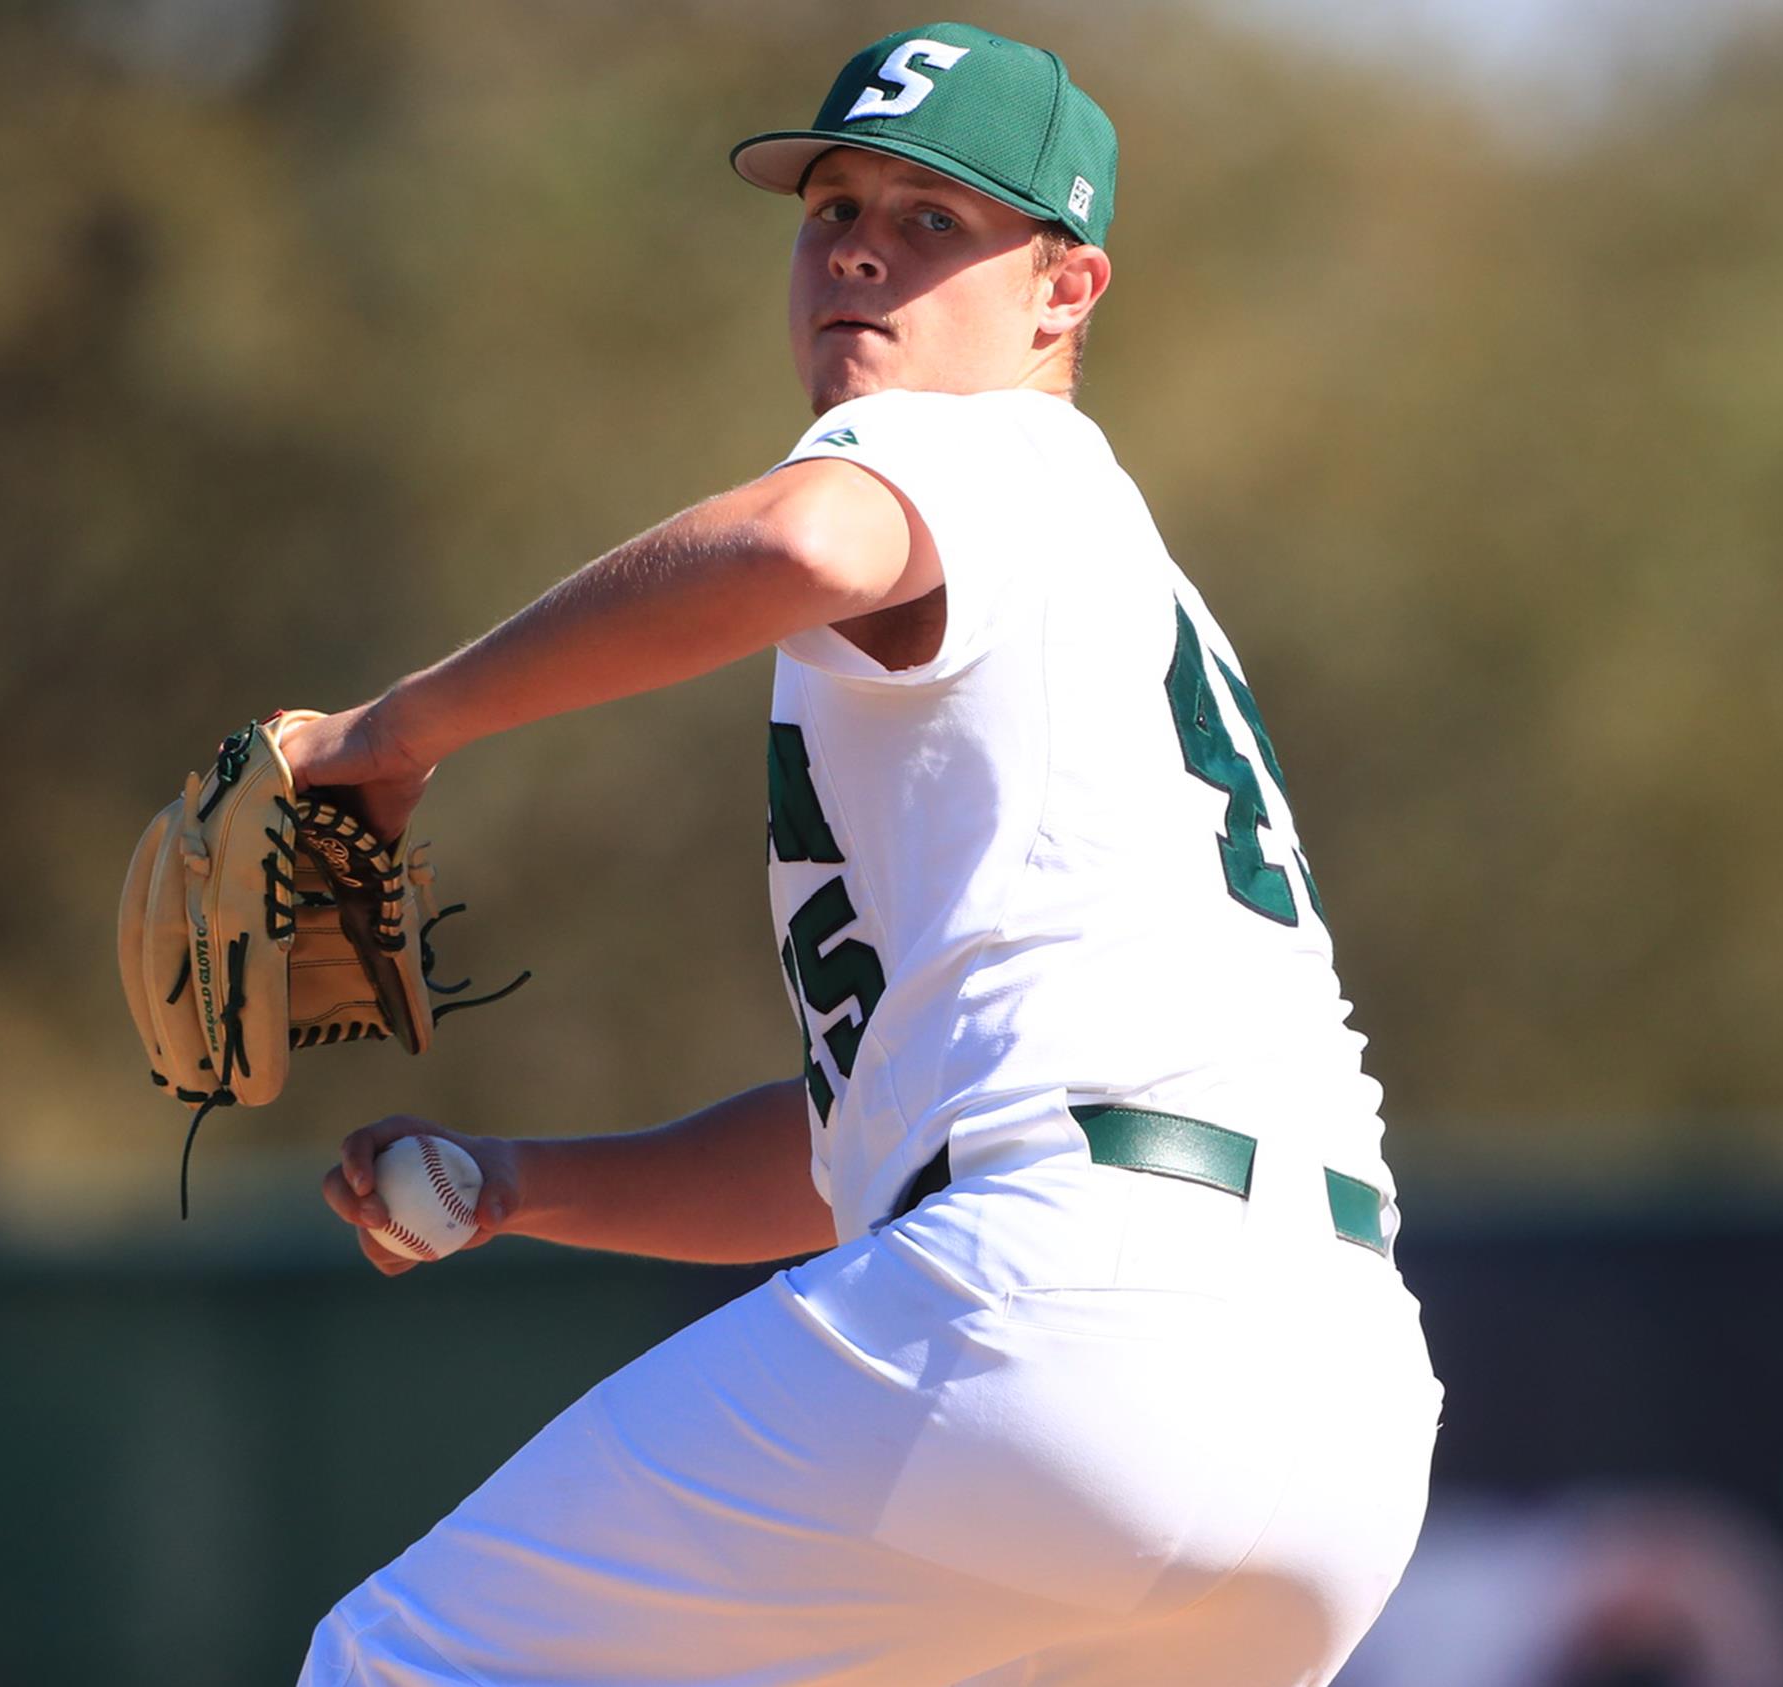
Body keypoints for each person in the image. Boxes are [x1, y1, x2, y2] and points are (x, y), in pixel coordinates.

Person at [285, 23, 1440, 1686]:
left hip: (1064, 1312)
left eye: (935, 218)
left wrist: (389, 734)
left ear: (1066, 289)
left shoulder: (970, 444)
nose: (863, 250)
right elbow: (862, 1156)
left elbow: (801, 538)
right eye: (835, 207)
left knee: (406, 1662)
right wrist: (525, 1188)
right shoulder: (1110, 596)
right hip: (1337, 1406)